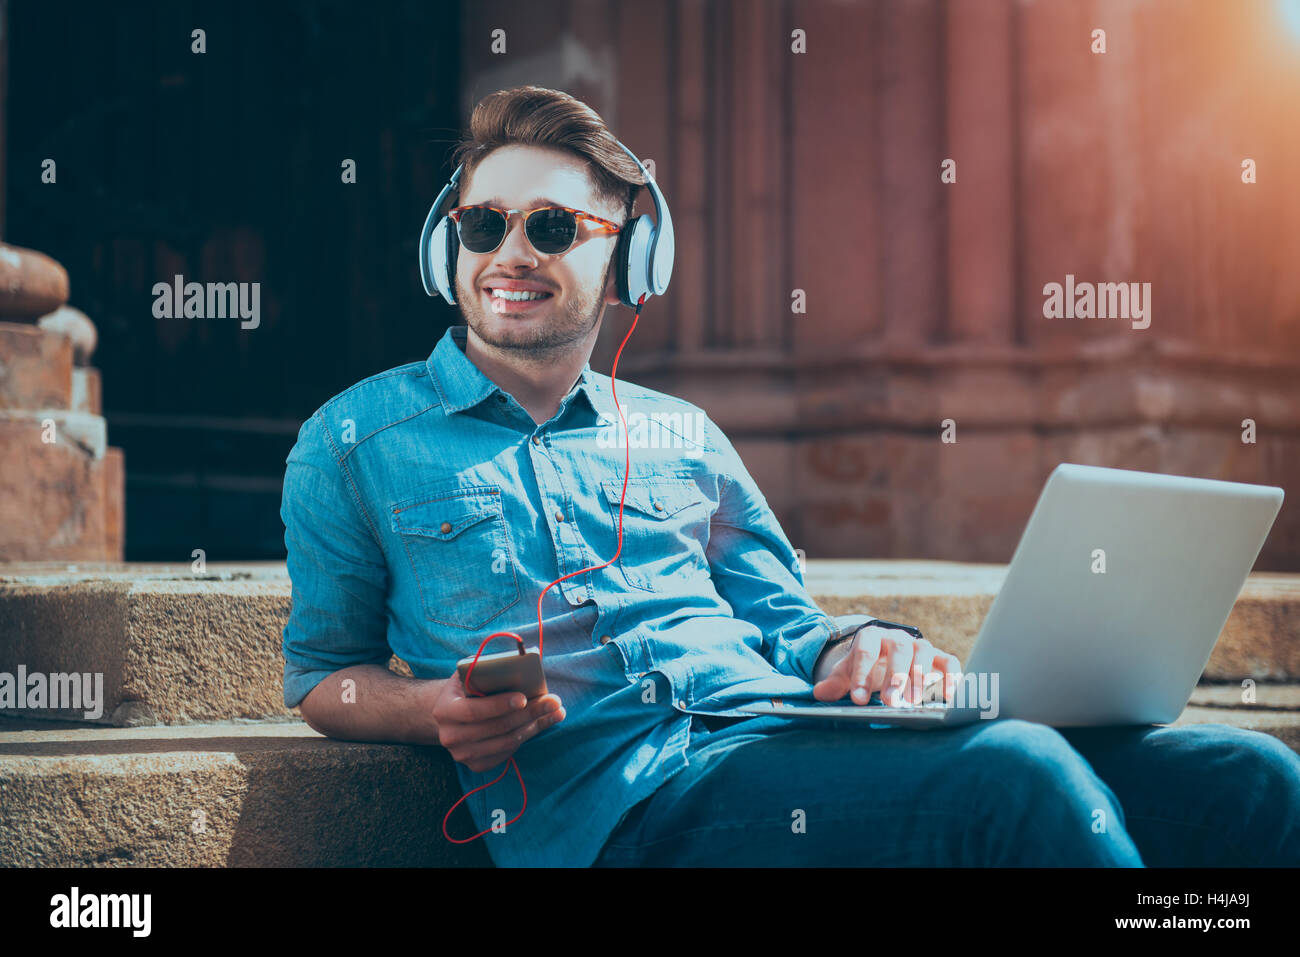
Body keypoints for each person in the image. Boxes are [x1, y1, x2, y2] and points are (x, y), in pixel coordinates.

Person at [279, 85, 1300, 867]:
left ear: (632, 258)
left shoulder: (683, 433)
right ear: (442, 245)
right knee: (1011, 774)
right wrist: (431, 712)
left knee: (1247, 777)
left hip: (787, 733)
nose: (510, 251)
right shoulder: (353, 439)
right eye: (481, 225)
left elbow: (787, 620)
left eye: (552, 226)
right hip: (624, 806)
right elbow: (324, 675)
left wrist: (868, 646)